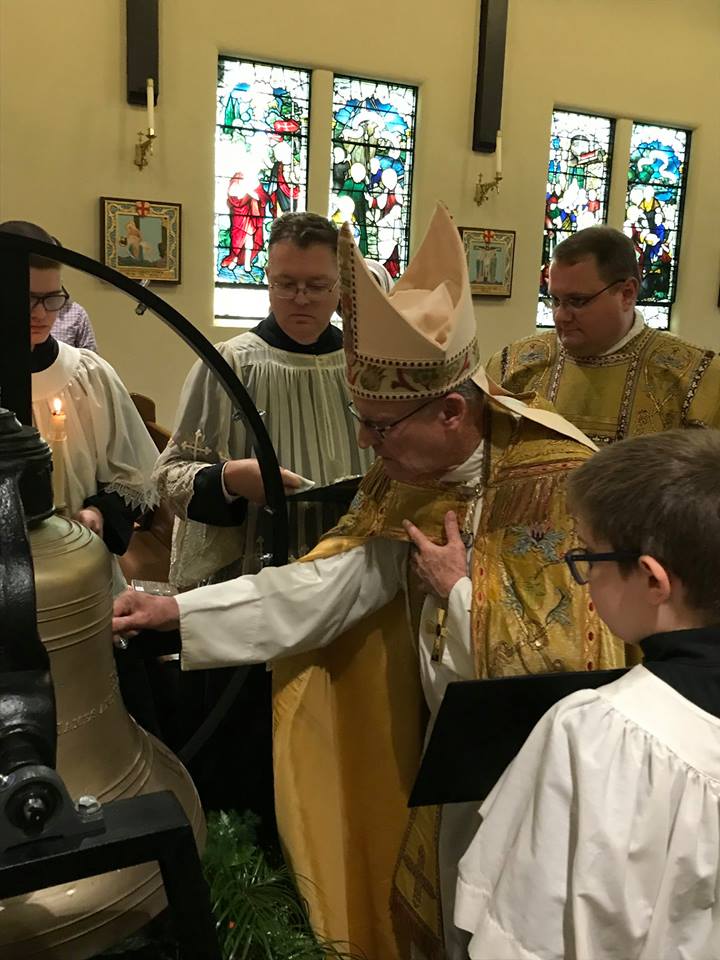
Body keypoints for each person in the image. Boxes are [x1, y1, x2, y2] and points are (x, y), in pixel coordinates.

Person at [113, 205, 624, 960]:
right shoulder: (406, 474)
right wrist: (177, 611)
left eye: (381, 426)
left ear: (453, 410)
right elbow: (333, 585)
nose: (365, 445)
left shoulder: (564, 479)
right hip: (441, 760)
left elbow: (585, 663)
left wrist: (459, 595)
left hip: (546, 781)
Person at [456, 428, 720, 960]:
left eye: (589, 557)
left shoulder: (601, 735)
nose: (584, 578)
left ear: (652, 580)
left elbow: (525, 939)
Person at [154, 211, 374, 590]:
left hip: (353, 571)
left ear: (340, 286)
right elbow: (169, 477)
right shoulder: (230, 364)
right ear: (268, 280)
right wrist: (229, 479)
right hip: (259, 575)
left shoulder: (367, 363)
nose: (301, 299)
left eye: (317, 285)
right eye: (286, 284)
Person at [0, 221, 158, 588]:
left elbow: (137, 478)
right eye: (26, 298)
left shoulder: (87, 375)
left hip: (78, 568)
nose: (41, 314)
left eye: (52, 298)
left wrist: (98, 514)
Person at [487, 226, 720, 444]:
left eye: (577, 301)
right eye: (555, 300)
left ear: (627, 293)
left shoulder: (698, 382)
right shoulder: (511, 367)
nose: (560, 316)